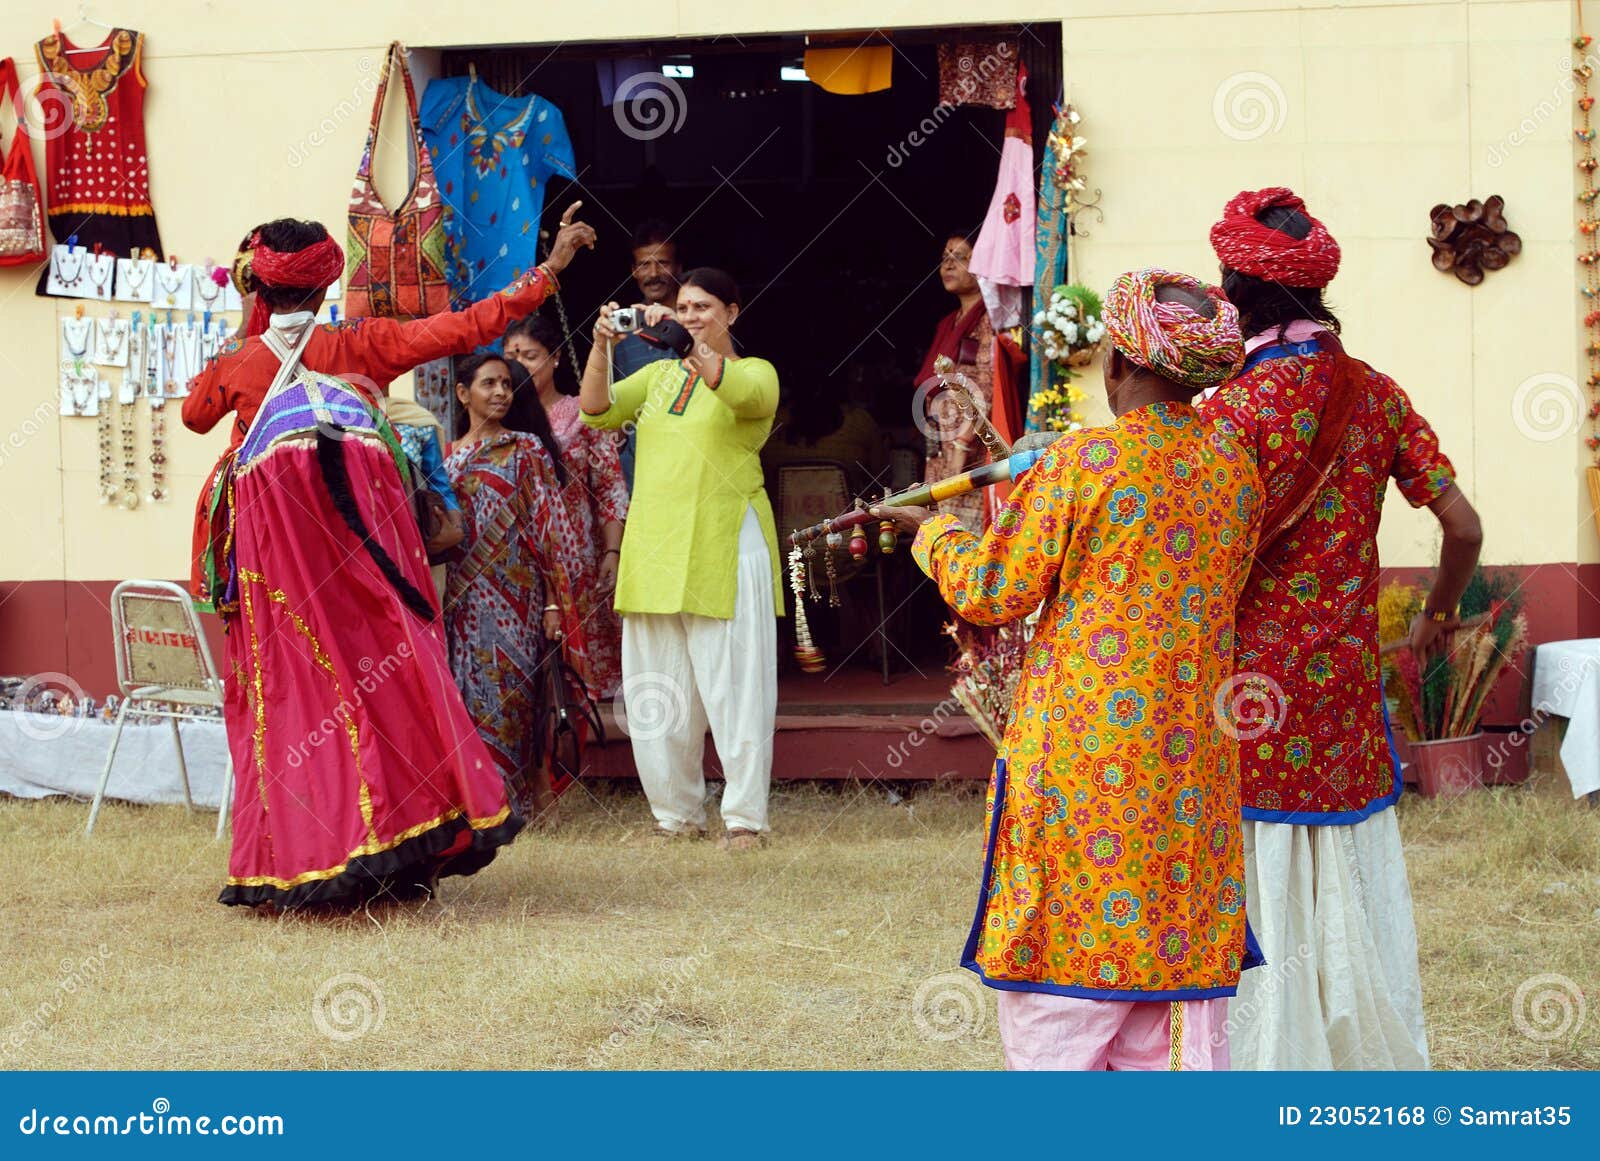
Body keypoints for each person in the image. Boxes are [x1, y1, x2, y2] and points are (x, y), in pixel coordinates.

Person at [875, 268, 1263, 1070]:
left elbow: (991, 589)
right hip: (1190, 760)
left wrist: (933, 530)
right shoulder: (1235, 468)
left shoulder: (1086, 461)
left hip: (1083, 758)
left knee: (1066, 977)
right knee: (1168, 979)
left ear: (1120, 362)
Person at [182, 205, 596, 909]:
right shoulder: (360, 343)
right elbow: (466, 326)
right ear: (323, 285)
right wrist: (548, 272)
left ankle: (303, 856)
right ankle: (402, 846)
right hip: (363, 550)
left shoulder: (240, 362)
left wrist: (242, 336)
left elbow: (196, 414)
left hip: (276, 561)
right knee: (387, 680)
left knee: (292, 692)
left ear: (260, 285)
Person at [1199, 188, 1483, 1069]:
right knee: (1348, 875)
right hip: (1347, 699)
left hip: (1246, 702)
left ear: (1236, 291)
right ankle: (1362, 1060)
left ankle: (1264, 1063)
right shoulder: (1378, 395)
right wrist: (1436, 618)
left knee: (1262, 877)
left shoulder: (1226, 414)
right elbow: (1464, 527)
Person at [579, 268, 781, 850]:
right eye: (683, 306)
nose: (690, 314)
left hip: (725, 546)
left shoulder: (755, 372)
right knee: (657, 690)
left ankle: (745, 820)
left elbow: (739, 393)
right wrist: (602, 344)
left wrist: (687, 345)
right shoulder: (658, 377)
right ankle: (676, 817)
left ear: (733, 313)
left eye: (703, 306)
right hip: (655, 549)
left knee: (736, 690)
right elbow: (596, 410)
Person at [445, 353, 583, 827]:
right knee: (468, 699)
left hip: (517, 599)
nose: (501, 393)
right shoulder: (446, 456)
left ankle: (516, 805)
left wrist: (551, 601)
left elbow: (551, 529)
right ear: (464, 394)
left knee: (516, 701)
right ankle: (481, 806)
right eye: (489, 384)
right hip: (462, 601)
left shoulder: (525, 449)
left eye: (506, 384)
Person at [504, 314, 628, 699]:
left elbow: (609, 486)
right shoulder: (494, 416)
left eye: (529, 355)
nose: (518, 364)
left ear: (555, 358)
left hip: (578, 557)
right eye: (510, 355)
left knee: (580, 676)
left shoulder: (583, 412)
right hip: (515, 557)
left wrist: (612, 551)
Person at [916, 232, 994, 533]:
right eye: (945, 258)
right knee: (940, 535)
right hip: (940, 449)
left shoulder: (989, 321)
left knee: (967, 537)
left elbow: (987, 387)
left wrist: (962, 445)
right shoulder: (948, 323)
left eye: (960, 258)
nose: (948, 265)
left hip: (969, 452)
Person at [610, 220, 685, 490]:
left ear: (678, 267)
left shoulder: (701, 318)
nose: (653, 273)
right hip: (639, 468)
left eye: (662, 263)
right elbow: (614, 406)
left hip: (695, 456)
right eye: (644, 265)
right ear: (633, 271)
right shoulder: (623, 330)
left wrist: (684, 327)